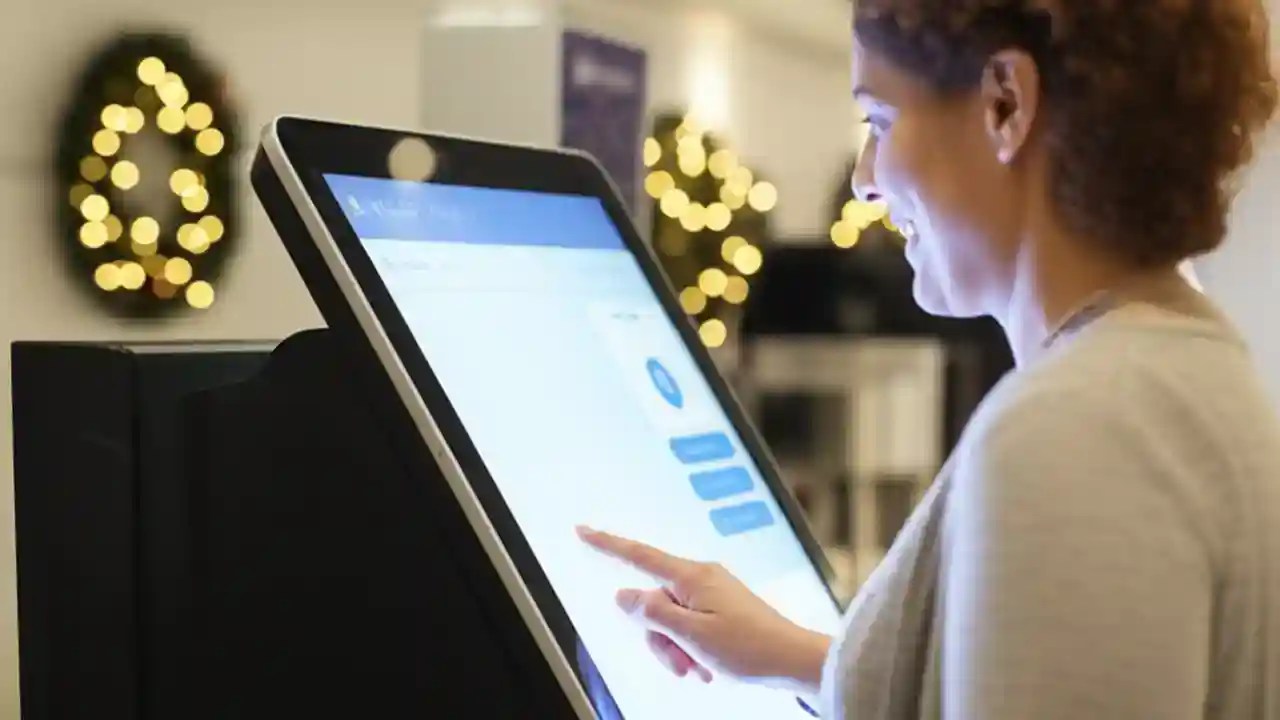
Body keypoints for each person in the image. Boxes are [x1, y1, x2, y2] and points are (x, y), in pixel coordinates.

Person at [580, 1, 1280, 717]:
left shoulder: (1078, 431)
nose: (864, 179)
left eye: (879, 123)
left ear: (1005, 103)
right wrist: (789, 654)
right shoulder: (1174, 367)